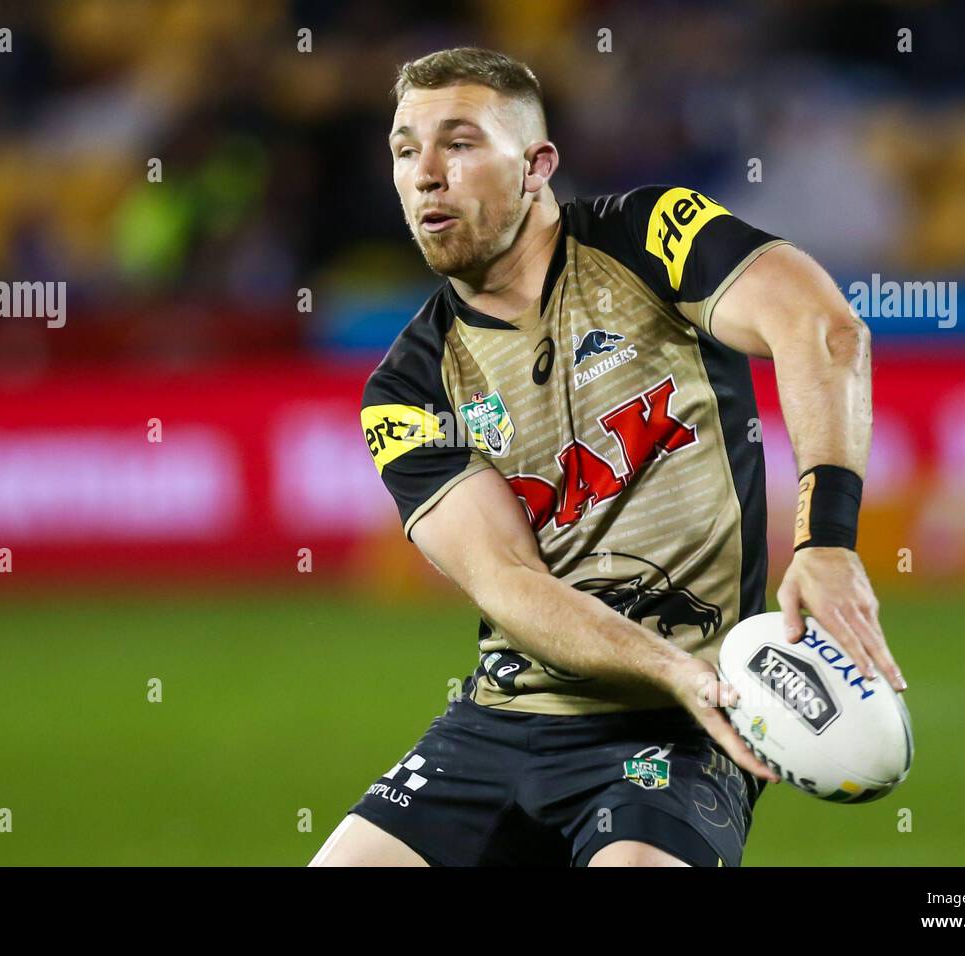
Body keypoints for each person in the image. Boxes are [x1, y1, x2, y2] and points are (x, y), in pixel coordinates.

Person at [311, 47, 905, 868]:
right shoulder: (408, 387)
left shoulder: (649, 239)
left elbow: (823, 329)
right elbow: (509, 585)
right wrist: (671, 666)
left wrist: (827, 541)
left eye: (459, 142)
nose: (427, 175)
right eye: (406, 151)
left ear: (536, 165)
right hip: (504, 719)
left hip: (684, 728)